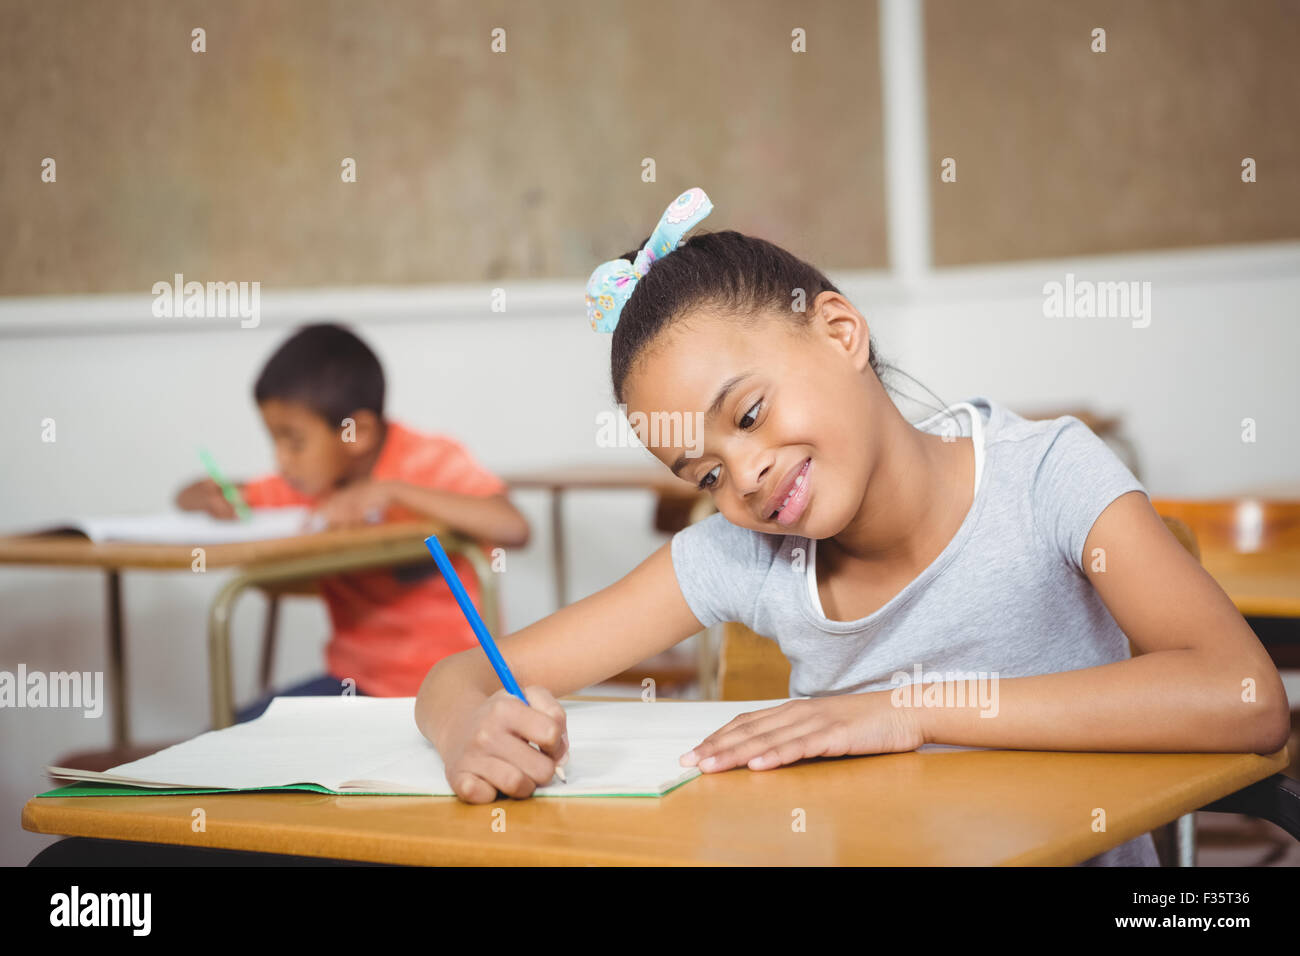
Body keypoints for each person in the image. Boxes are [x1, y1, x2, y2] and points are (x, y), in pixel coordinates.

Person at [414, 188, 1289, 866]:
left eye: (750, 414)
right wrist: (467, 730)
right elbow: (461, 675)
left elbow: (1246, 699)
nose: (746, 476)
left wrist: (905, 711)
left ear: (840, 330)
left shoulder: (1046, 475)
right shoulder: (743, 553)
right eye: (706, 474)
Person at [177, 323, 528, 718]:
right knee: (228, 734)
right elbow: (200, 495)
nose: (281, 460)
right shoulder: (310, 484)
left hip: (457, 688)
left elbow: (512, 526)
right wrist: (207, 495)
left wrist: (394, 492)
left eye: (294, 442)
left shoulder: (427, 461)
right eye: (274, 441)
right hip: (355, 687)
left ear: (355, 432)